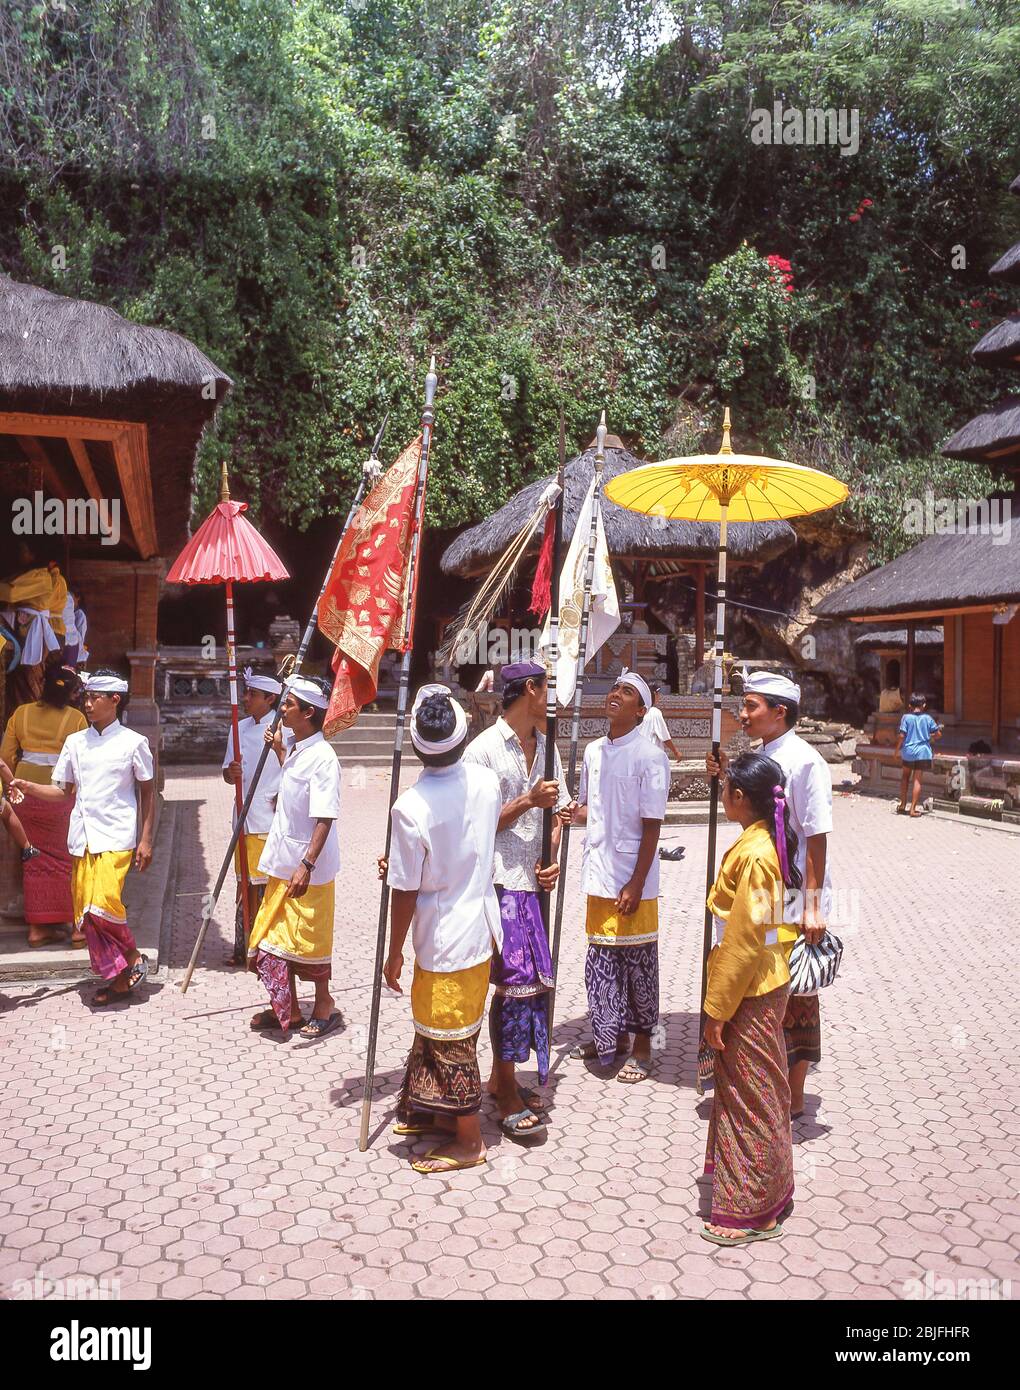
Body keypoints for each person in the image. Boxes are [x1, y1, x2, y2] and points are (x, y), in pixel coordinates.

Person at [385, 685, 502, 1174]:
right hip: (480, 926)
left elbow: (404, 890)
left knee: (449, 1034)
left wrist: (392, 954)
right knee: (443, 1027)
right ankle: (430, 1106)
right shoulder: (487, 782)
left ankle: (470, 1139)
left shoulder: (409, 808)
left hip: (445, 939)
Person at [706, 671, 831, 1119]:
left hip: (795, 892)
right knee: (761, 981)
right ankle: (760, 1075)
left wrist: (813, 905)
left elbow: (815, 837)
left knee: (794, 992)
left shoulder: (806, 761)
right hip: (762, 887)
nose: (742, 714)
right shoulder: (764, 755)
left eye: (751, 706)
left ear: (780, 712)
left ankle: (792, 1093)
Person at [462, 659, 569, 1140]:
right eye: (549, 687)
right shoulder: (482, 751)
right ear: (531, 690)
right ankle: (504, 1087)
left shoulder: (548, 749)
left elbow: (560, 815)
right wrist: (527, 800)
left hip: (531, 882)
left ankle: (500, 1076)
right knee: (512, 985)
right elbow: (473, 824)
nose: (553, 695)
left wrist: (552, 857)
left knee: (530, 987)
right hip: (496, 882)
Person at [700, 751, 799, 1246]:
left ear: (739, 797)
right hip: (765, 977)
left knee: (750, 1095)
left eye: (725, 790)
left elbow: (744, 938)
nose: (722, 796)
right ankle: (766, 1187)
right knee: (757, 1088)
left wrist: (717, 1010)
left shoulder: (757, 854)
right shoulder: (763, 841)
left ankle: (755, 1209)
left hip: (751, 985)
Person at [12, 670, 155, 1004]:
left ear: (115, 700)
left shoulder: (134, 742)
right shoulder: (75, 742)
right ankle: (119, 979)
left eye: (95, 698)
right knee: (86, 914)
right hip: (82, 838)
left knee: (102, 903)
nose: (87, 704)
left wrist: (146, 839)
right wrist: (28, 786)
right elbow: (63, 792)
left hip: (117, 835)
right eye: (86, 697)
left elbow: (147, 793)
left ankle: (132, 956)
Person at [568, 669, 669, 1081]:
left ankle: (643, 1046)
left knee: (638, 962)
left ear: (641, 710)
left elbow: (652, 825)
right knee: (602, 959)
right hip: (598, 872)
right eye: (615, 688)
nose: (616, 694)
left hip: (633, 877)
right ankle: (610, 1035)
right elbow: (592, 808)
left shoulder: (651, 756)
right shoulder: (593, 751)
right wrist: (569, 814)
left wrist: (636, 881)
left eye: (627, 692)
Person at [246, 675, 342, 1039]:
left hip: (308, 870)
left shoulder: (324, 758)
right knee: (273, 940)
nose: (282, 709)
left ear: (308, 713)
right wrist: (279, 751)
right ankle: (286, 1008)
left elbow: (325, 814)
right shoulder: (298, 748)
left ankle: (323, 1005)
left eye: (288, 704)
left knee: (309, 941)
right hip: (283, 863)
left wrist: (307, 863)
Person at [1, 665, 87, 946]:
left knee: (33, 857)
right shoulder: (75, 718)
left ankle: (38, 929)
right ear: (71, 692)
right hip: (59, 795)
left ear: (43, 685)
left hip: (23, 794)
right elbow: (83, 764)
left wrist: (12, 788)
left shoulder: (21, 713)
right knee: (68, 858)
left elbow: (5, 756)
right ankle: (76, 927)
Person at [222, 668, 293, 966]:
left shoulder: (286, 731)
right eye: (246, 692)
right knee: (244, 886)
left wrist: (278, 748)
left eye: (252, 694)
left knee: (266, 884)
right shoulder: (237, 729)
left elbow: (293, 771)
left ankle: (266, 947)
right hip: (243, 819)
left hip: (269, 818)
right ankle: (243, 945)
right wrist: (231, 773)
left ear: (270, 698)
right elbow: (227, 771)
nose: (247, 698)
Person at [896, 694, 943, 817]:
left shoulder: (906, 717)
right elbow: (938, 734)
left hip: (908, 752)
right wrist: (928, 736)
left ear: (910, 705)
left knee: (905, 777)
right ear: (924, 705)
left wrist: (896, 750)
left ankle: (902, 805)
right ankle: (912, 809)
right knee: (917, 780)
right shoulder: (927, 718)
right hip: (923, 752)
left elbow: (901, 736)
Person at [641, 683, 683, 763]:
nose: (659, 696)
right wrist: (676, 752)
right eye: (658, 694)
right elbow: (665, 737)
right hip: (651, 757)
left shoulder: (637, 711)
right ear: (653, 695)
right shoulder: (655, 713)